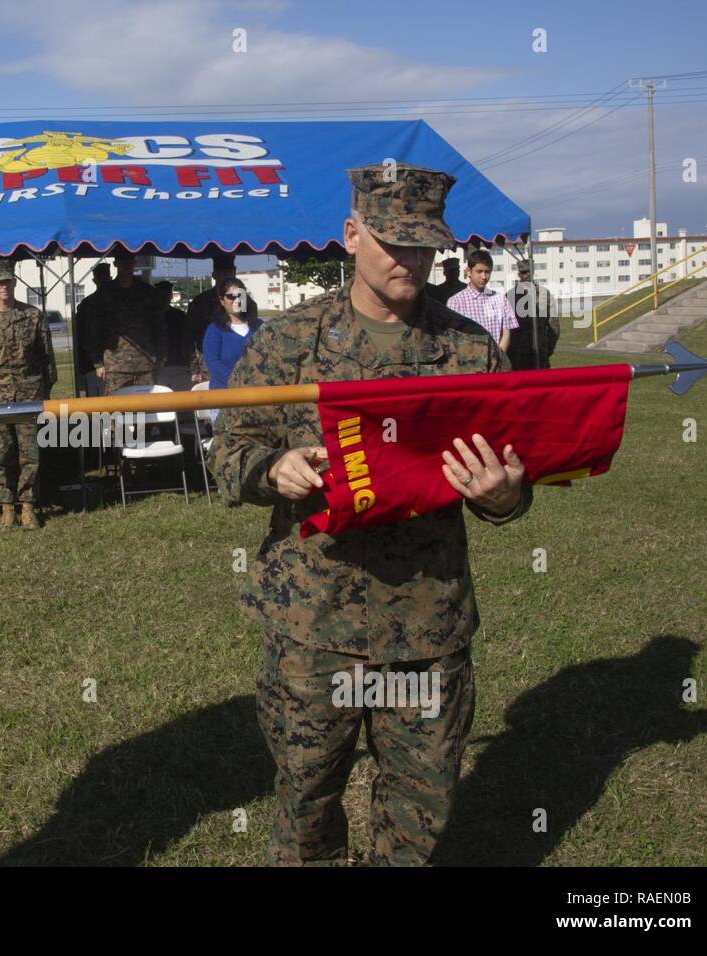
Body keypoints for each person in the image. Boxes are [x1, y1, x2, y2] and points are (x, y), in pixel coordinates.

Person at [209, 162, 532, 866]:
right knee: (306, 803)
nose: (413, 261)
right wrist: (271, 470)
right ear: (352, 235)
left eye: (426, 247)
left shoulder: (471, 351)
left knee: (421, 813)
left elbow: (516, 466)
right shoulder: (291, 340)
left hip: (427, 623)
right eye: (395, 243)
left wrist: (506, 496)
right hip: (313, 621)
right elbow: (228, 449)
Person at [0, 260, 58, 530]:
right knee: (1, 455)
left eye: (8, 281)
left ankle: (28, 506)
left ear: (14, 282)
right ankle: (7, 506)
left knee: (31, 454)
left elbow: (46, 357)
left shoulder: (32, 316)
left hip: (28, 394)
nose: (4, 286)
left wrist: (44, 389)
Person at [91, 249, 167, 394]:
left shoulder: (147, 292)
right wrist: (97, 363)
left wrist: (160, 358)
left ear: (135, 263)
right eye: (122, 262)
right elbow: (94, 330)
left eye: (129, 262)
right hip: (115, 366)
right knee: (116, 412)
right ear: (115, 264)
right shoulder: (104, 294)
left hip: (145, 364)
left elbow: (159, 327)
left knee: (145, 412)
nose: (126, 265)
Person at [186, 253, 258, 382]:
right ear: (214, 275)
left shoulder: (248, 303)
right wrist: (194, 368)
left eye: (229, 273)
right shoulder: (200, 302)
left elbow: (252, 326)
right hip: (209, 365)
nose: (226, 276)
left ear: (235, 273)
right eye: (222, 273)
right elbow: (189, 337)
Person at [201, 276, 262, 422]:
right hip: (224, 399)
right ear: (222, 301)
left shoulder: (259, 327)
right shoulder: (214, 330)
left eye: (240, 295)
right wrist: (240, 381)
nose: (236, 300)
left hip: (257, 397)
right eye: (231, 296)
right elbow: (213, 363)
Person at [447, 249, 517, 353]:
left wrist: (498, 358)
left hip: (497, 361)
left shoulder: (500, 299)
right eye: (479, 271)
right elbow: (453, 338)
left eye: (487, 272)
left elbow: (506, 333)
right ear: (469, 272)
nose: (484, 277)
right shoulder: (456, 302)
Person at [505, 260, 560, 370]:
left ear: (533, 272)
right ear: (519, 274)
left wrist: (547, 349)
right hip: (517, 355)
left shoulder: (544, 294)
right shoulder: (510, 296)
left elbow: (554, 326)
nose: (527, 275)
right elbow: (505, 327)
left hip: (540, 354)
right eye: (524, 272)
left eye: (529, 272)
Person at [73, 261, 112, 388]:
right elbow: (82, 336)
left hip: (114, 360)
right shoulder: (86, 305)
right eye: (101, 278)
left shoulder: (118, 301)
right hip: (93, 363)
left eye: (105, 277)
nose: (104, 281)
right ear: (95, 281)